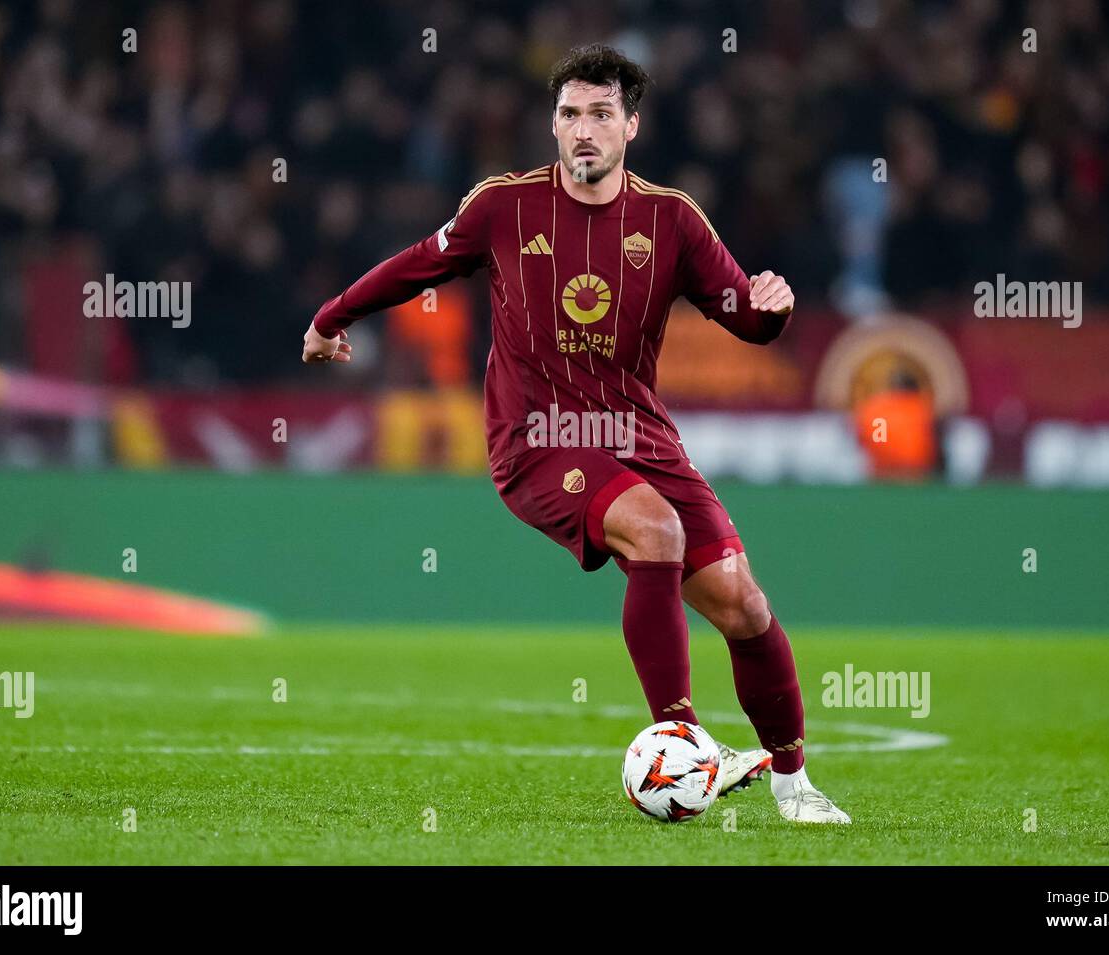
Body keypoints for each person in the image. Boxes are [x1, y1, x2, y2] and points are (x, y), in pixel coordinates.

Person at [303, 44, 848, 823]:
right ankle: (684, 738)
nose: (582, 130)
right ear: (552, 126)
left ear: (631, 125)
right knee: (654, 530)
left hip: (640, 437)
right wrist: (332, 317)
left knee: (743, 604)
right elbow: (419, 263)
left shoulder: (672, 220)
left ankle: (795, 785)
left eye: (600, 114)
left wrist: (774, 303)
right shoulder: (503, 206)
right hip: (538, 439)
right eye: (568, 115)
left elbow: (747, 317)